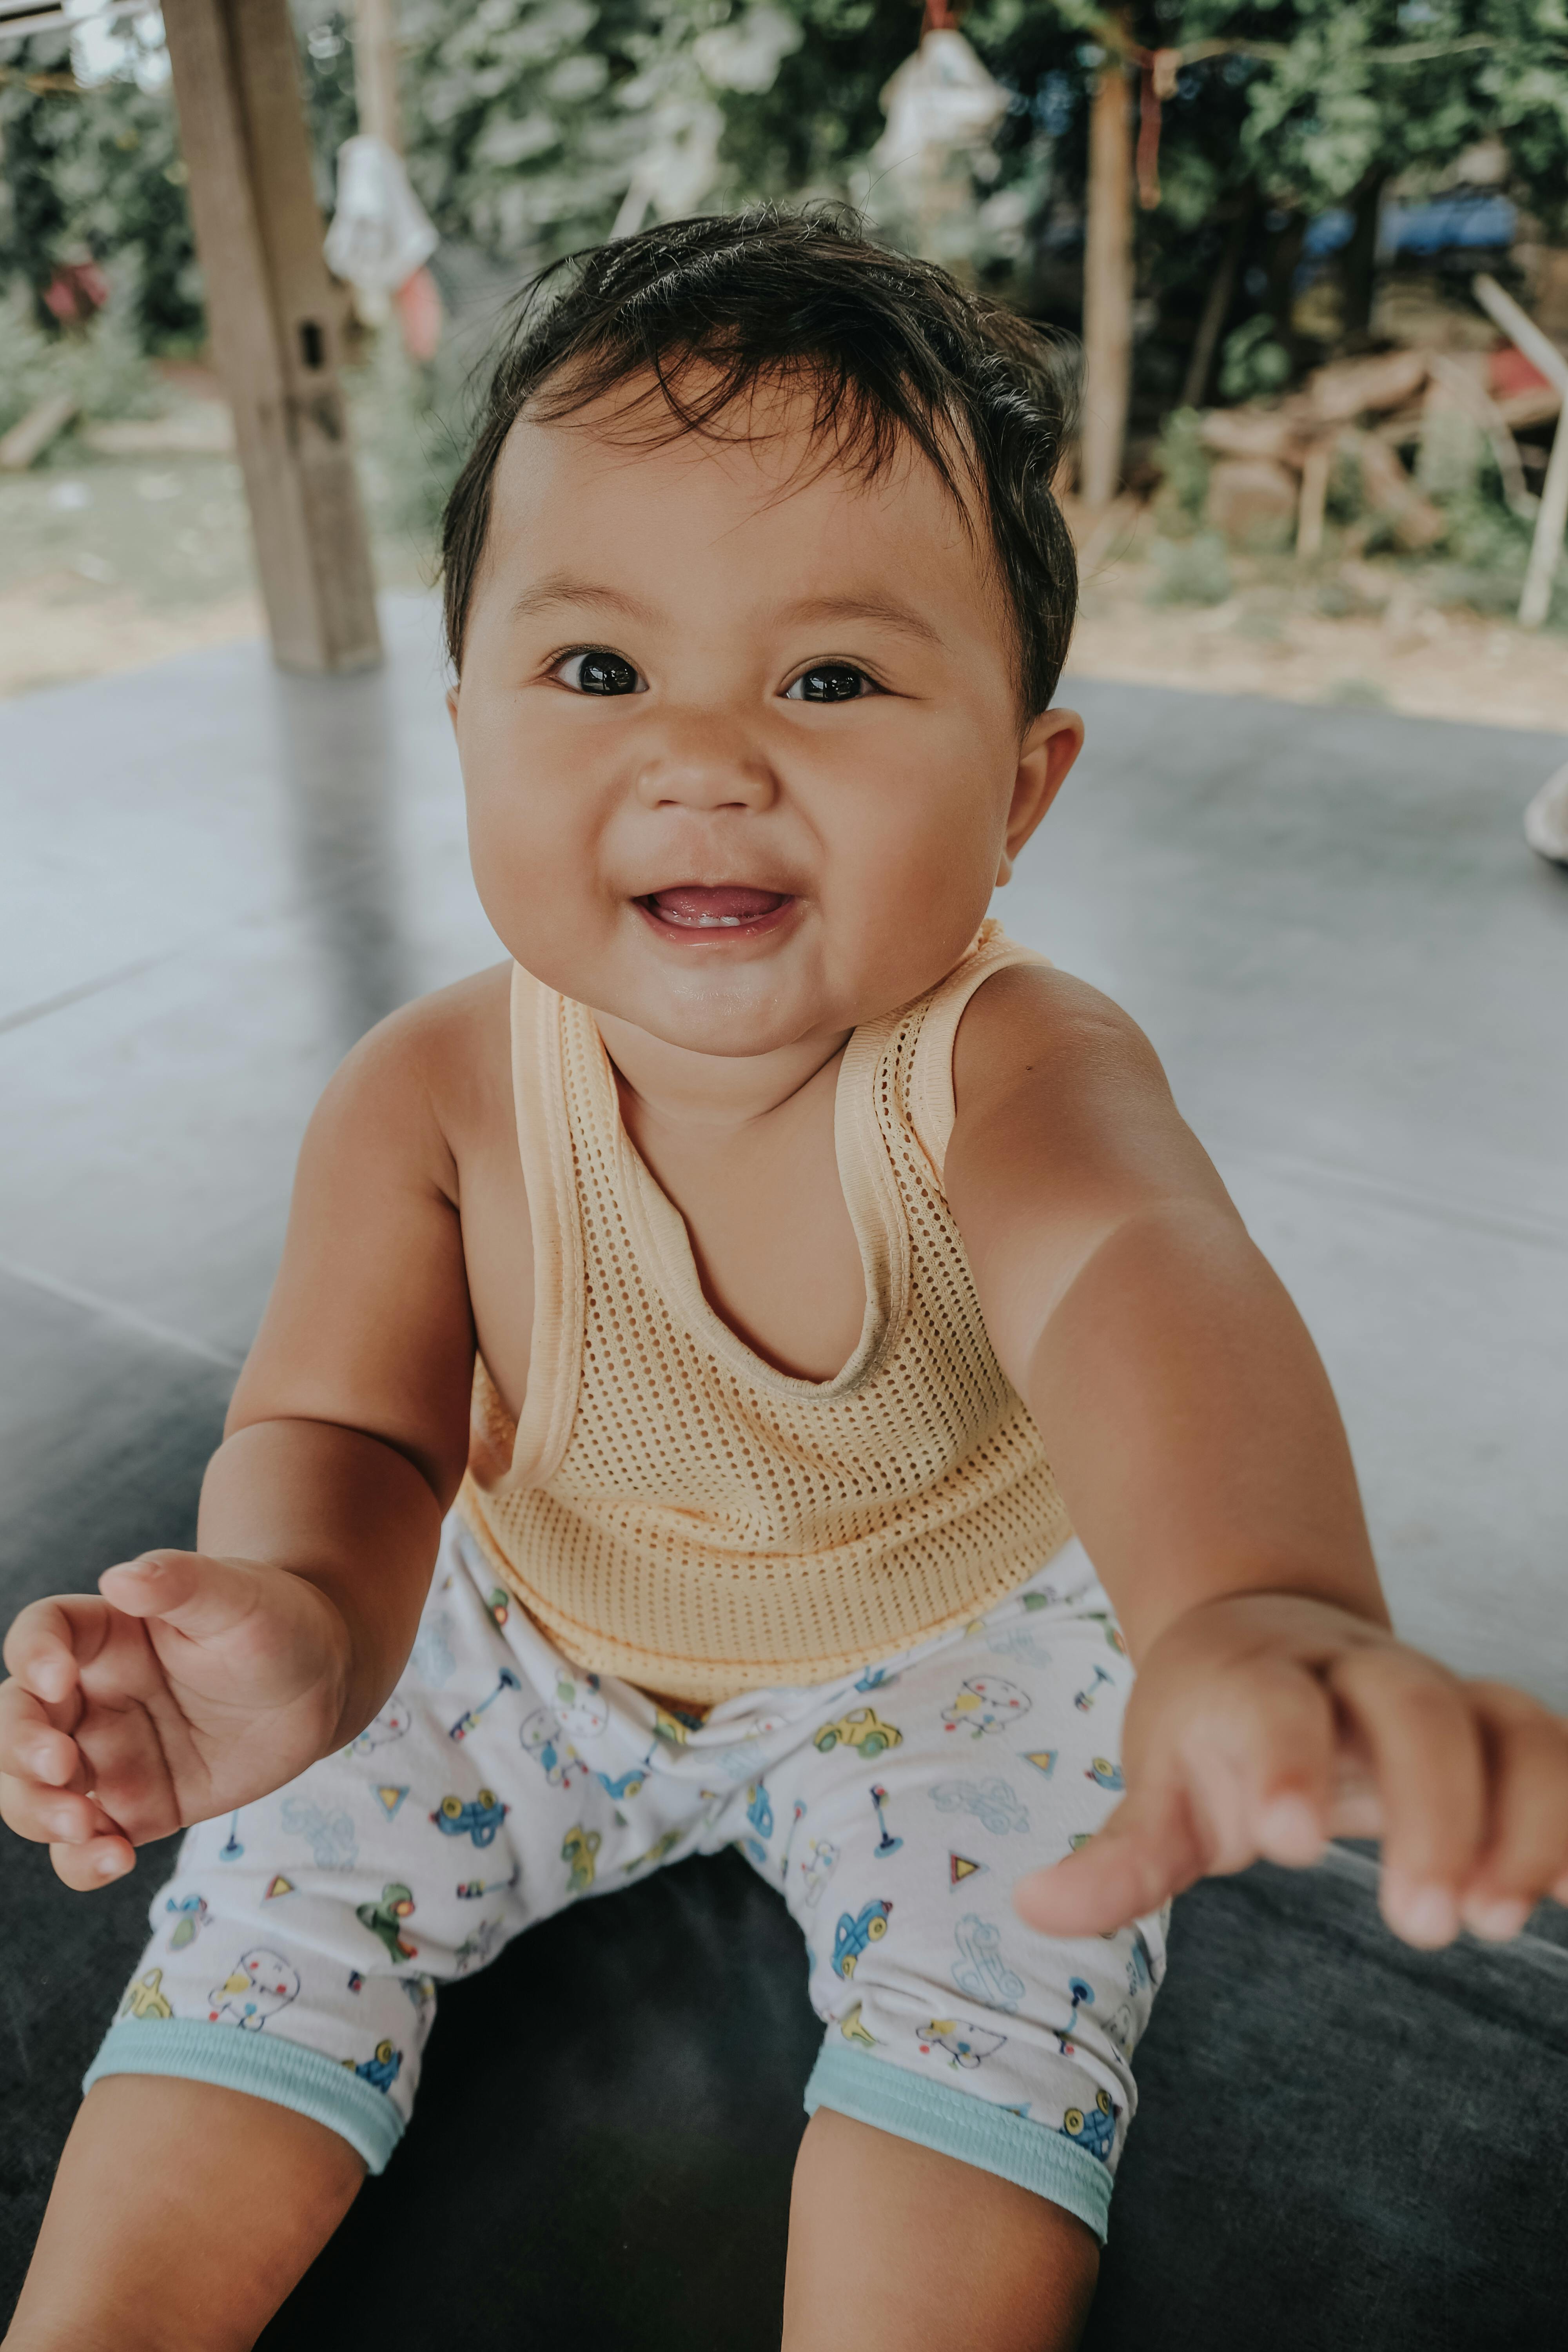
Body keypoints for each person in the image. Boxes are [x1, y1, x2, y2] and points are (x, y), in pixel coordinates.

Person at [2, 209, 1565, 2352]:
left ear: (1020, 790)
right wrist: (302, 1623)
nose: (708, 755)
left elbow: (1137, 1269)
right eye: (599, 669)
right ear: (465, 724)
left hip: (949, 1662)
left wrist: (1249, 1606)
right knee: (272, 1900)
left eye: (830, 679)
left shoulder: (1013, 1065)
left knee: (1012, 1982)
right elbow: (344, 1429)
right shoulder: (435, 1094)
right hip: (527, 1633)